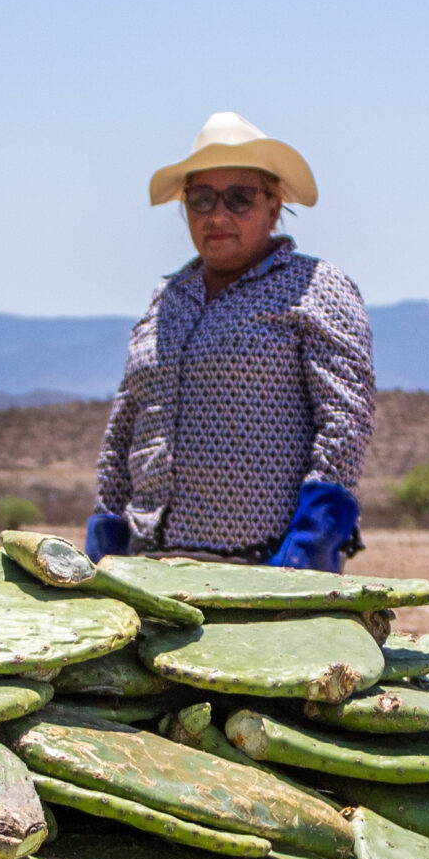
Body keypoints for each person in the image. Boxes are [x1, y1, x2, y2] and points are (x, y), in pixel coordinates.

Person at [88, 112, 373, 571]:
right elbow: (124, 428)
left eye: (240, 198)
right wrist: (105, 540)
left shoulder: (316, 287)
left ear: (274, 206)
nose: (218, 215)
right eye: (201, 199)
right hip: (147, 566)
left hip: (263, 565)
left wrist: (308, 547)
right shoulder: (166, 300)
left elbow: (344, 422)